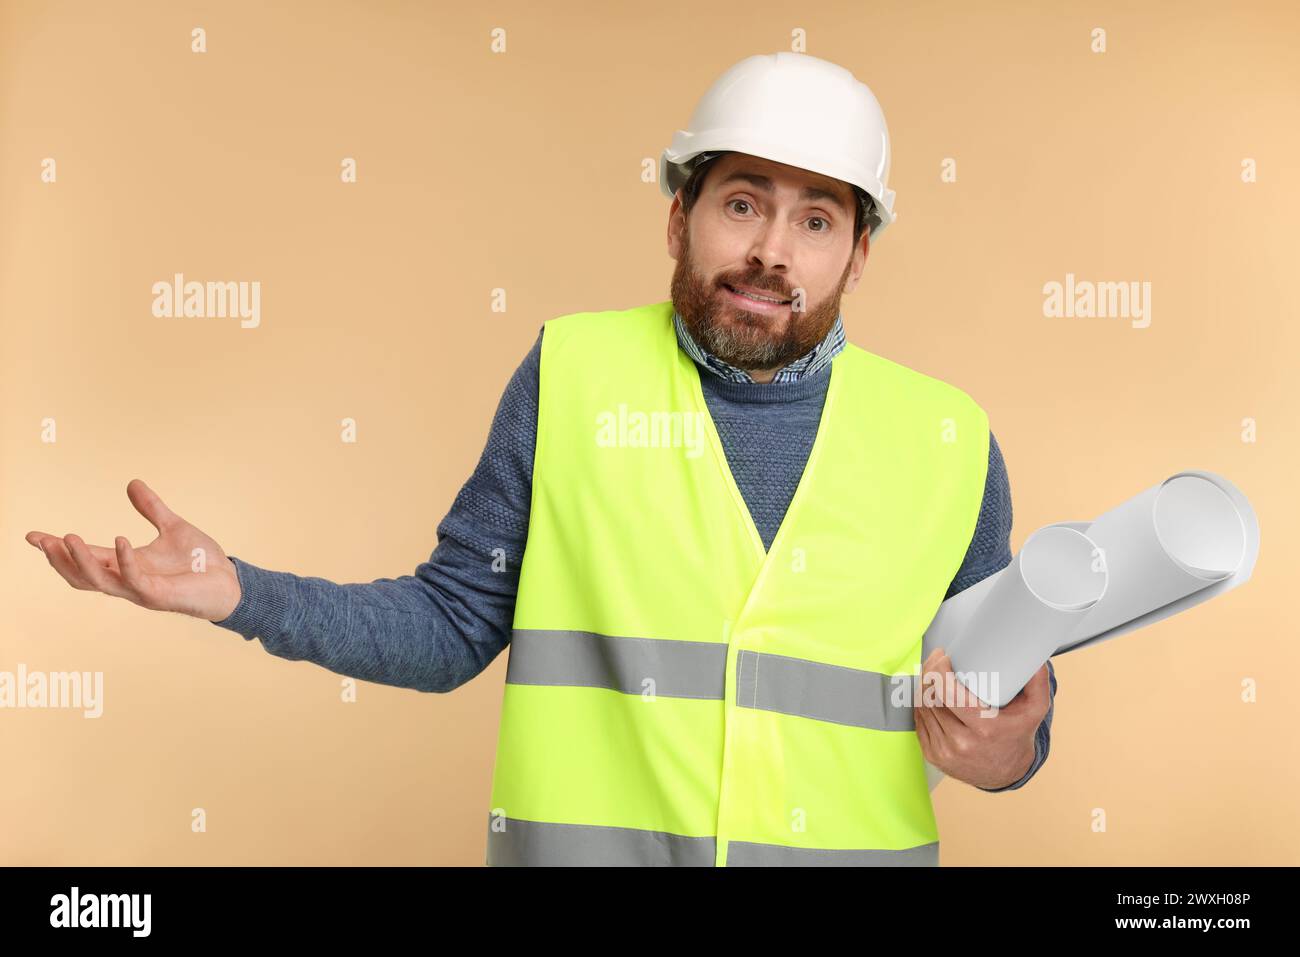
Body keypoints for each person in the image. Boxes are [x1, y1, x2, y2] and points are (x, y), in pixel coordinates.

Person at [26, 51, 1055, 867]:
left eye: (817, 219)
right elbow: (451, 624)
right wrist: (241, 593)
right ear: (677, 218)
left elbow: (999, 705)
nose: (772, 252)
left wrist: (1011, 750)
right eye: (741, 203)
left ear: (858, 255)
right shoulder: (572, 374)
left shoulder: (947, 438)